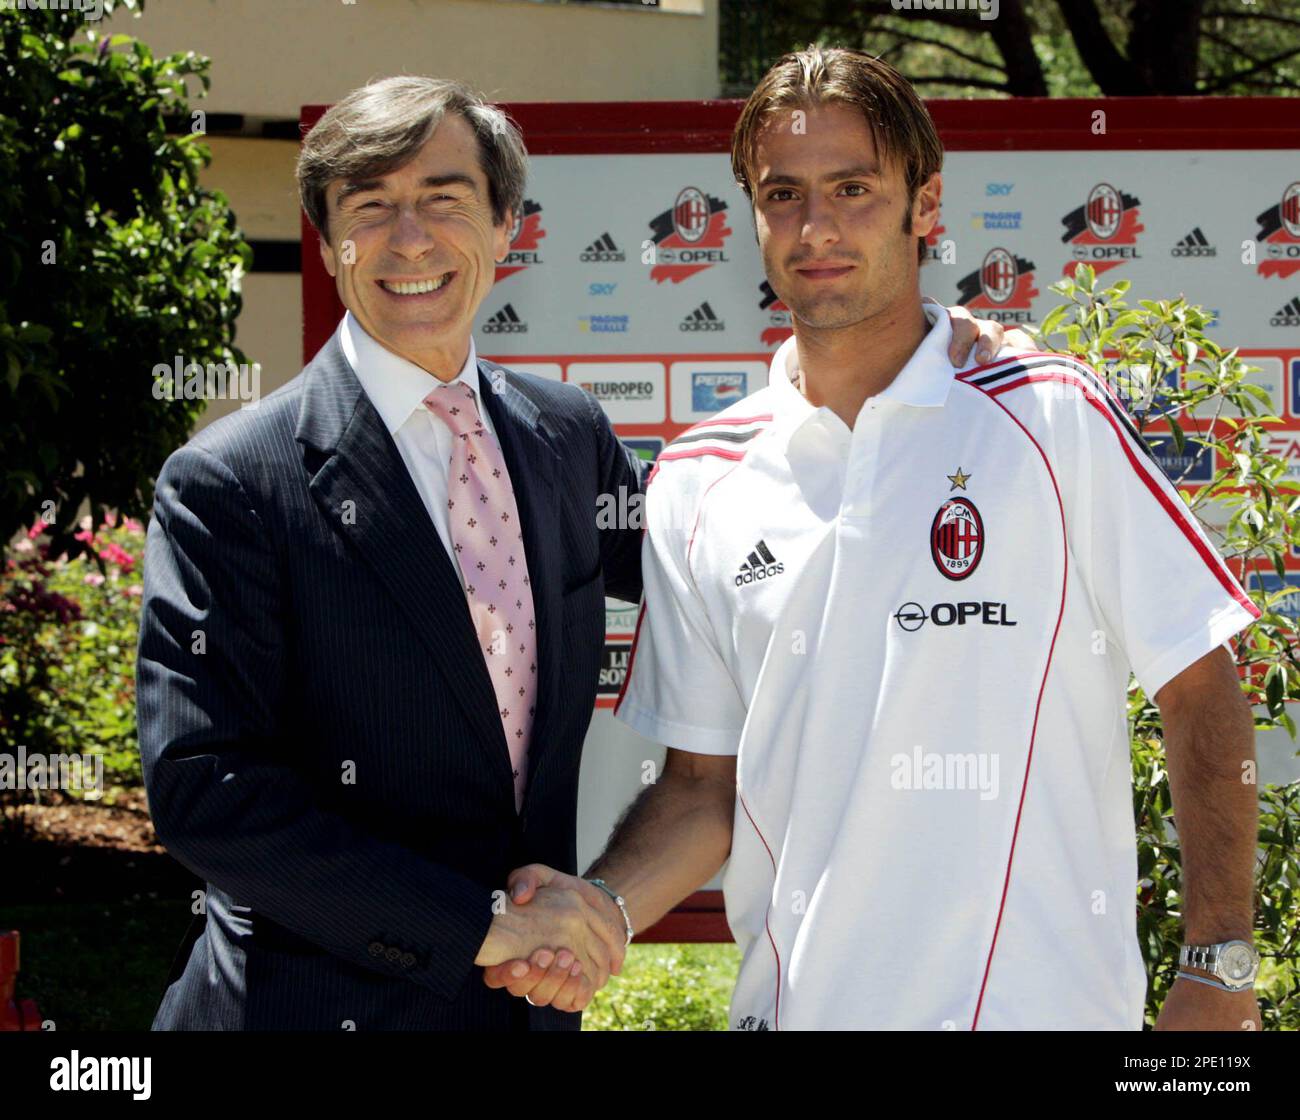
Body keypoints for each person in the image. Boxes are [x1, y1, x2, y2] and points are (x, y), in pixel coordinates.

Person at [136, 73, 1013, 1030]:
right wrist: (475, 927)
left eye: (444, 199)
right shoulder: (229, 482)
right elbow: (206, 792)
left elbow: (728, 577)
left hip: (527, 1013)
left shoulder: (563, 436)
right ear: (327, 239)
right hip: (302, 1011)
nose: (412, 238)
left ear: (506, 223)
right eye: (371, 206)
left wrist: (927, 354)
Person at [486, 48, 1263, 1031]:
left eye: (853, 188)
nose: (816, 227)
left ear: (923, 206)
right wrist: (596, 911)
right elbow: (699, 789)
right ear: (754, 217)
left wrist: (1219, 965)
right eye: (784, 194)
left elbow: (1203, 692)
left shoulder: (1051, 419)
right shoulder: (698, 476)